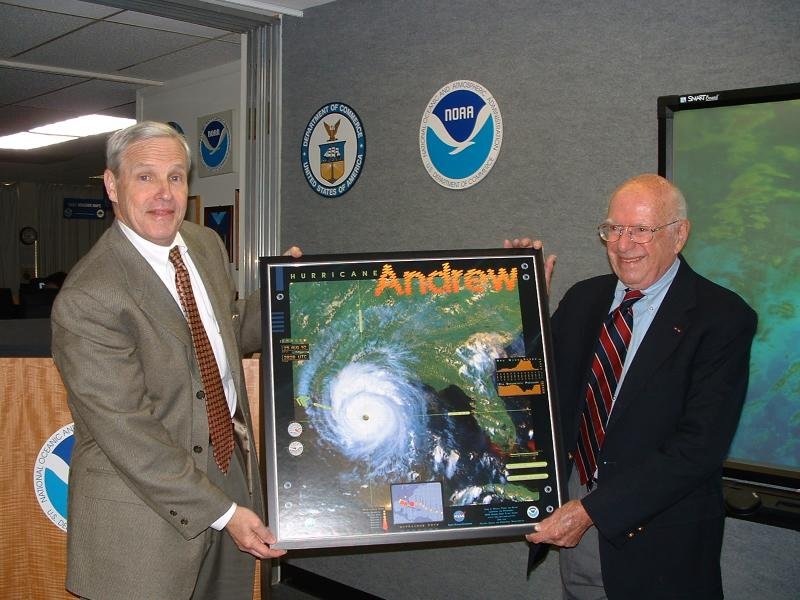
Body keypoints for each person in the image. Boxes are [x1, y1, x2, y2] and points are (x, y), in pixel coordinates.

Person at [51, 121, 296, 599]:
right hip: (142, 507)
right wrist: (224, 512)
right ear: (111, 185)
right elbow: (128, 433)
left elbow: (224, 328)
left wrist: (284, 296)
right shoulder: (90, 296)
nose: (164, 194)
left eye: (176, 177)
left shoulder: (204, 245)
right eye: (145, 177)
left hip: (228, 469)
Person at [508, 174, 757, 599]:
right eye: (613, 229)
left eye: (641, 230)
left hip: (657, 554)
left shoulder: (722, 318)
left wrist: (589, 512)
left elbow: (698, 451)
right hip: (577, 538)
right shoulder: (584, 300)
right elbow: (526, 401)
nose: (623, 245)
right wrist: (522, 318)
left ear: (679, 235)